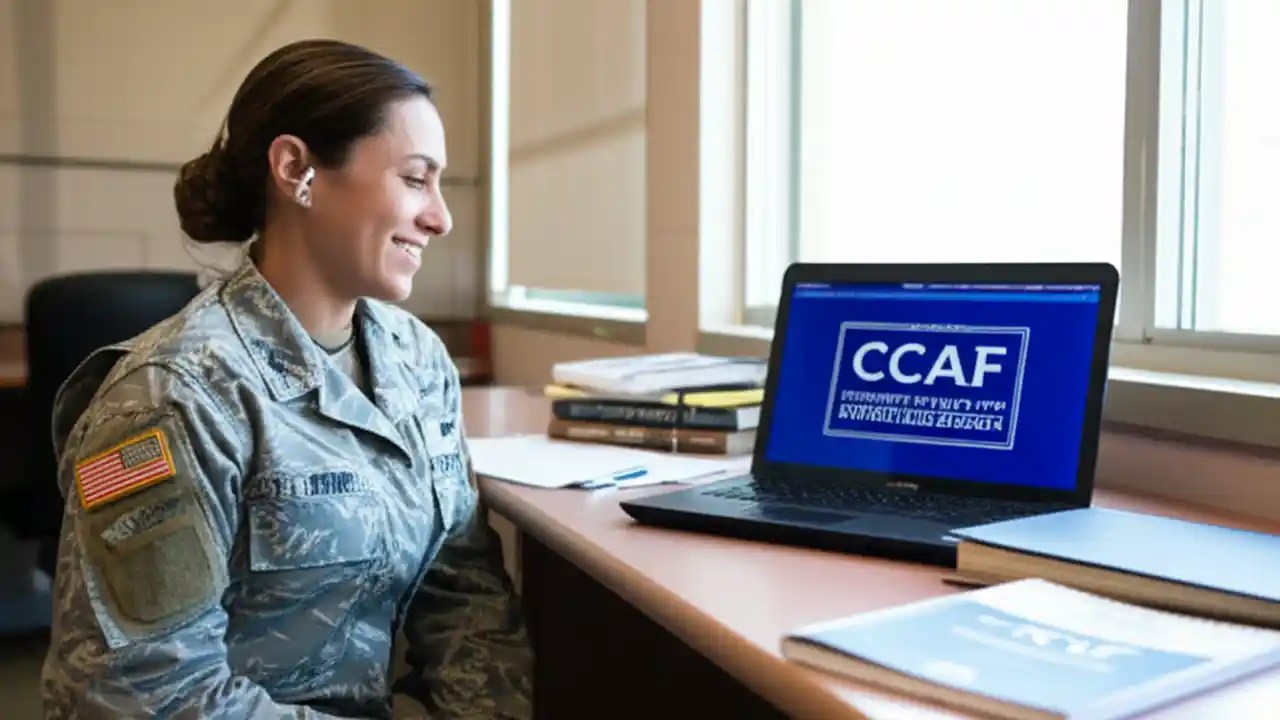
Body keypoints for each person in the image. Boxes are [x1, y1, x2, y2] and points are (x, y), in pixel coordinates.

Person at [39, 39, 532, 719]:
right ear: (297, 169)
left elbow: (463, 589)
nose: (441, 217)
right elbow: (143, 693)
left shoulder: (417, 361)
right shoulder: (171, 397)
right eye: (415, 179)